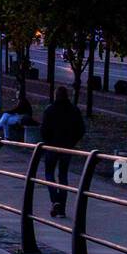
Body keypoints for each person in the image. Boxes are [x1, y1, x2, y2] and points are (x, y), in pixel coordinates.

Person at [40, 87, 85, 217]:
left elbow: (44, 130)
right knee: (63, 175)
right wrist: (72, 142)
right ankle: (62, 207)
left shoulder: (50, 110)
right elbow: (81, 129)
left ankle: (55, 200)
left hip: (52, 146)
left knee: (49, 174)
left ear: (55, 96)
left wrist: (48, 141)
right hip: (67, 146)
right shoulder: (74, 110)